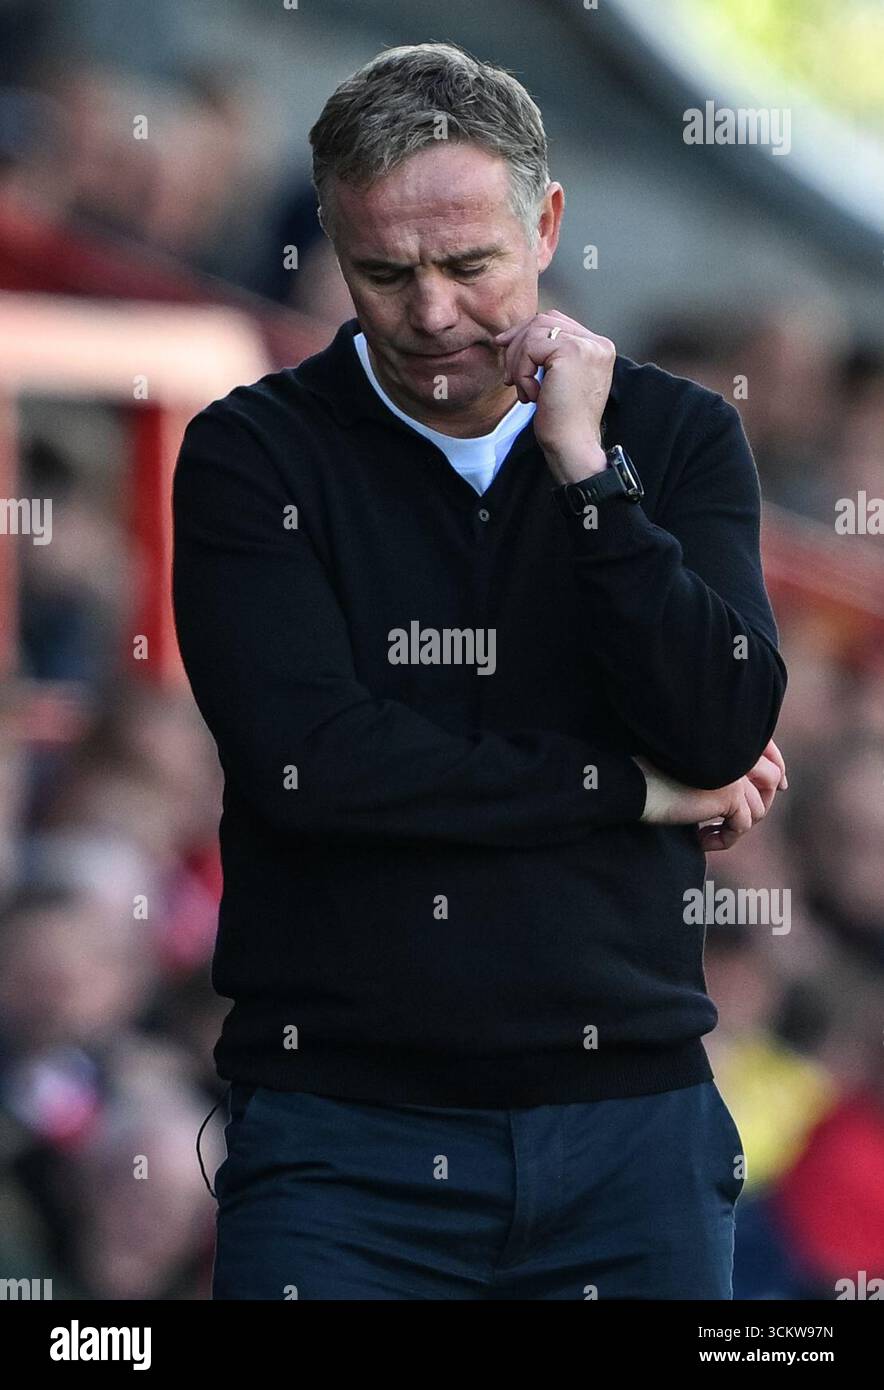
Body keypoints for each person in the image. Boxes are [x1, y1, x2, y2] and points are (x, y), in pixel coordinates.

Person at [171, 41, 788, 1300]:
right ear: (333, 241)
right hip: (344, 1138)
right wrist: (627, 792)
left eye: (469, 265)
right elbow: (317, 771)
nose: (433, 314)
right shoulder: (255, 455)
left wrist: (585, 474)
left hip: (633, 1136)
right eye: (383, 272)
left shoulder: (668, 436)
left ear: (546, 223)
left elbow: (717, 723)